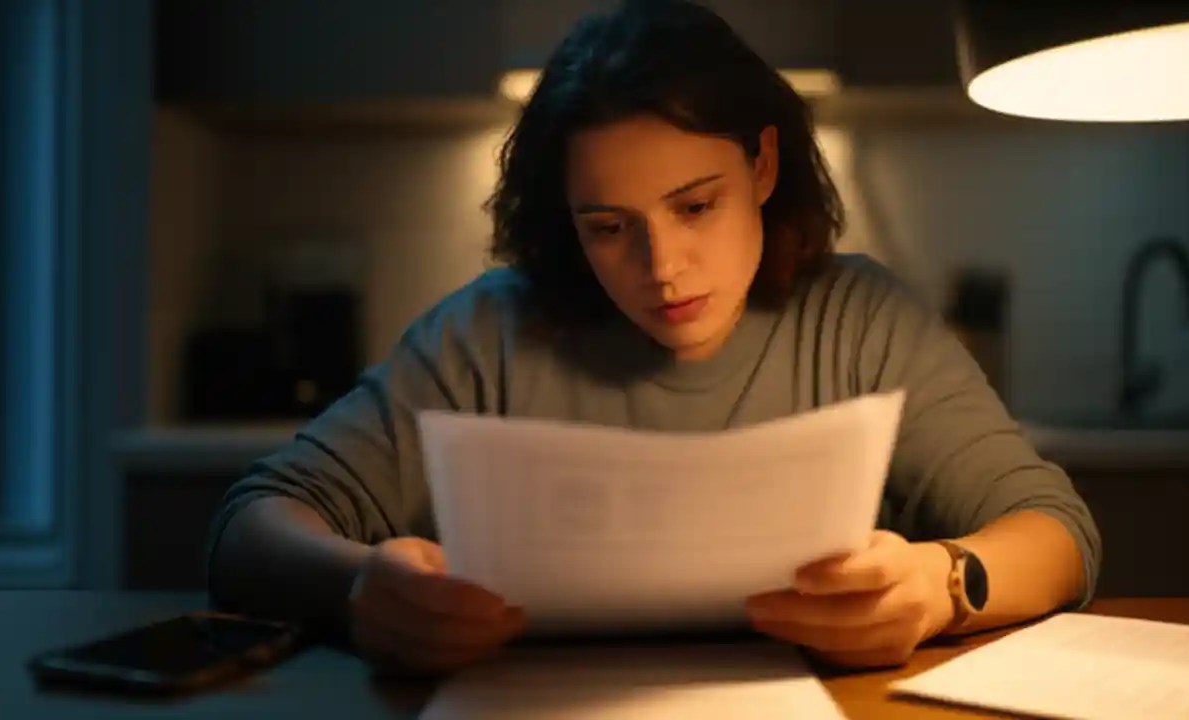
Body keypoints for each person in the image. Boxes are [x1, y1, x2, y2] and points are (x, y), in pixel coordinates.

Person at [206, 0, 1100, 676]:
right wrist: (359, 584)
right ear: (566, 222)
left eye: (695, 206)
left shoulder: (859, 320)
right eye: (608, 227)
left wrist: (942, 584)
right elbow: (248, 530)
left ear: (762, 166)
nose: (661, 267)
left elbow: (1059, 535)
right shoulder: (490, 333)